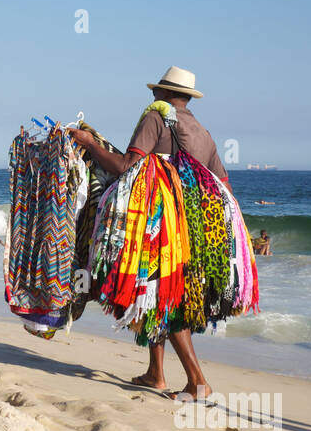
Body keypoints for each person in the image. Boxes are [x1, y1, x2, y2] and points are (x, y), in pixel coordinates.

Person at [69, 66, 223, 400]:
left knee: (164, 294)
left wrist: (90, 145)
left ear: (166, 93)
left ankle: (198, 382)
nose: (152, 96)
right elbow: (222, 184)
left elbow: (126, 166)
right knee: (155, 291)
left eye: (156, 91)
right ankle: (156, 373)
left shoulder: (157, 116)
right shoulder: (202, 131)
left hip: (160, 225)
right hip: (193, 226)